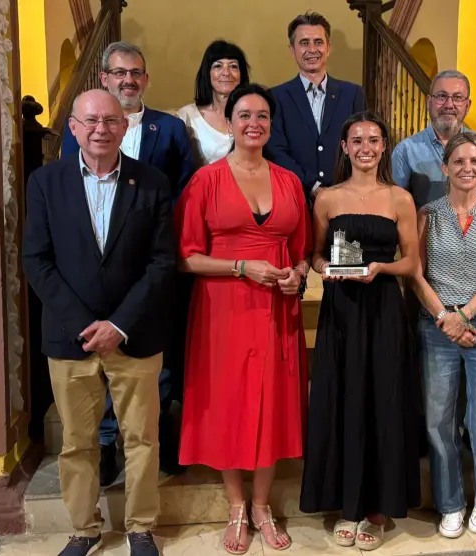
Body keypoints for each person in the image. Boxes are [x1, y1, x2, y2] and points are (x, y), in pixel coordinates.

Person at [23, 89, 173, 556]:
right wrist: (85, 324)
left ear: (124, 126)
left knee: (142, 439)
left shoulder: (152, 182)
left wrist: (120, 324)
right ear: (73, 128)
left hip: (136, 335)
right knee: (77, 442)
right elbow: (36, 260)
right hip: (71, 339)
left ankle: (141, 526)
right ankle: (84, 529)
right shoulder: (46, 183)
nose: (100, 129)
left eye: (109, 120)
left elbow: (162, 262)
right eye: (90, 121)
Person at [175, 83, 310, 555]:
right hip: (223, 309)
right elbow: (186, 257)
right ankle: (236, 506)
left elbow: (303, 253)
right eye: (245, 114)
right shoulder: (206, 181)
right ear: (229, 122)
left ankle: (262, 505)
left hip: (277, 308)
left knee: (272, 401)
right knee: (230, 401)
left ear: (271, 124)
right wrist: (239, 266)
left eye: (263, 115)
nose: (255, 122)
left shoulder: (289, 181)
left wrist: (297, 275)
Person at [62, 41, 194, 485]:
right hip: (97, 266)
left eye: (136, 72)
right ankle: (103, 445)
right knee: (99, 358)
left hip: (152, 261)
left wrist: (152, 230)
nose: (128, 80)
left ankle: (154, 437)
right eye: (119, 73)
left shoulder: (170, 128)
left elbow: (184, 188)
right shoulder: (82, 126)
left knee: (155, 357)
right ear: (105, 78)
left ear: (146, 79)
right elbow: (71, 191)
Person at [301, 111, 420, 551]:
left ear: (384, 146)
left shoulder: (400, 198)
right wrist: (325, 269)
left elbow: (412, 263)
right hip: (342, 310)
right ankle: (347, 504)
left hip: (385, 307)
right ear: (345, 147)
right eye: (357, 140)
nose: (366, 147)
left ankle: (377, 508)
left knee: (382, 401)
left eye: (374, 139)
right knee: (345, 399)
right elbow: (313, 254)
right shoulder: (327, 198)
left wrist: (380, 268)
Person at [412, 132, 476, 539]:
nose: (467, 168)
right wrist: (445, 317)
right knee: (439, 421)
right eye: (459, 162)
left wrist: (465, 316)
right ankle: (450, 503)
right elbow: (416, 273)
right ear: (445, 168)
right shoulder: (427, 213)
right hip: (436, 326)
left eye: (475, 161)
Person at [268, 11, 367, 202]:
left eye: (318, 42)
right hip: (294, 199)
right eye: (304, 43)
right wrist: (312, 187)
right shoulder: (275, 97)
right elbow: (276, 151)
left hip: (346, 199)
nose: (312, 49)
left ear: (328, 47)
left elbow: (362, 144)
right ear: (292, 49)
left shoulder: (353, 94)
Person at [392, 70, 476, 209]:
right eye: (441, 96)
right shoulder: (405, 151)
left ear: (467, 106)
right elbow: (396, 209)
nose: (449, 105)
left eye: (457, 98)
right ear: (429, 102)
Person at [176, 40, 250, 167]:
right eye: (218, 66)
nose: (226, 73)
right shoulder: (187, 116)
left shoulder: (253, 114)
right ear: (207, 73)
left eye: (233, 66)